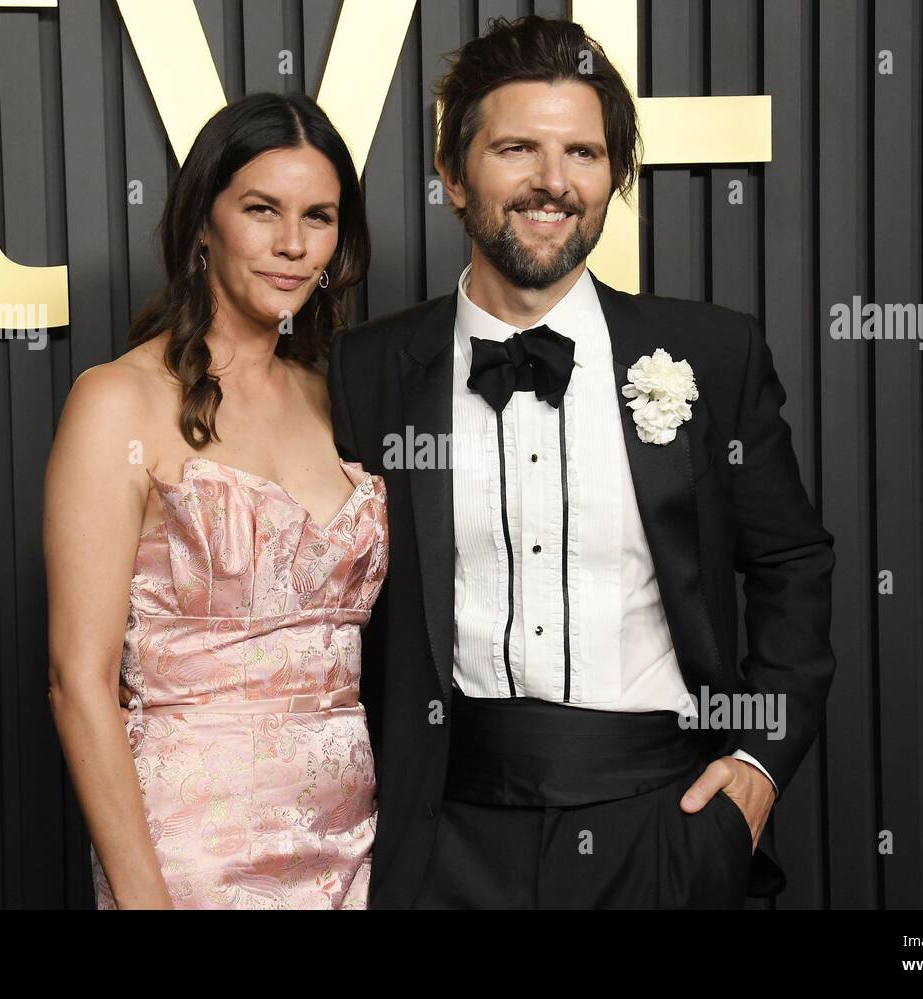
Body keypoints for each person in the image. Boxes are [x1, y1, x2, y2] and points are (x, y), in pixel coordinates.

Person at [328, 14, 836, 908]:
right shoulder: (364, 370)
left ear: (614, 177)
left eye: (585, 154)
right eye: (518, 148)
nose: (553, 182)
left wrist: (759, 765)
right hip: (440, 836)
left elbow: (792, 561)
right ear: (451, 174)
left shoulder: (710, 354)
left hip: (665, 823)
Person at [45, 92, 383, 909]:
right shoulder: (116, 400)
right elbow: (77, 679)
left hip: (357, 845)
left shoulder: (341, 397)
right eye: (262, 210)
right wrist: (142, 895)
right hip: (191, 850)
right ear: (204, 221)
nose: (294, 245)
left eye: (320, 216)